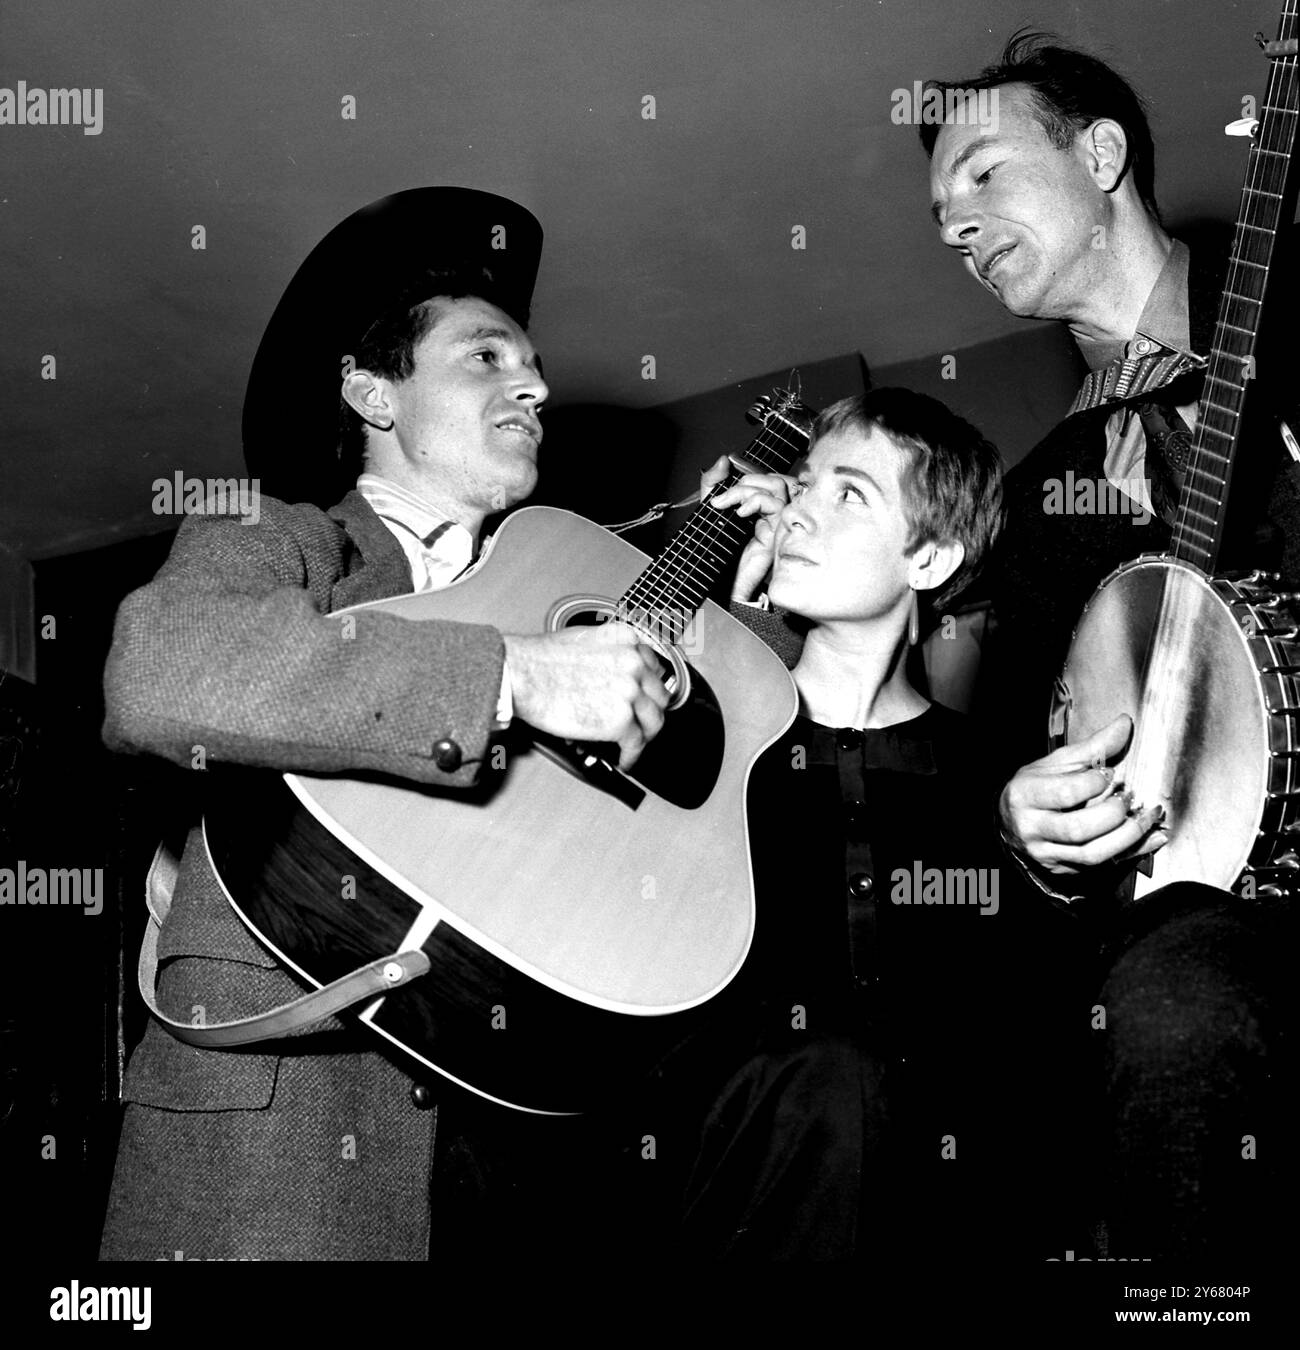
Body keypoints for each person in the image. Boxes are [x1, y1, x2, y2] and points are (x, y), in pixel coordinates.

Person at [97, 187, 671, 1260]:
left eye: (533, 365)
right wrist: (511, 676)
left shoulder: (577, 578)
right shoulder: (275, 531)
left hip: (526, 1138)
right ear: (371, 392)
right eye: (488, 356)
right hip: (289, 1139)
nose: (536, 383)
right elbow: (160, 670)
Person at [921, 33, 1297, 1258]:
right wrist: (1022, 827)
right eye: (938, 213)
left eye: (980, 174)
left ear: (1100, 154)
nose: (954, 226)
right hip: (1218, 917)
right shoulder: (1032, 504)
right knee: (1165, 1005)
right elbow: (1001, 748)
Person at [637, 387, 1030, 1260]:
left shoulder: (996, 779)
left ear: (928, 561)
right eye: (804, 484)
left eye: (849, 494)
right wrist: (731, 632)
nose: (799, 512)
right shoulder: (695, 734)